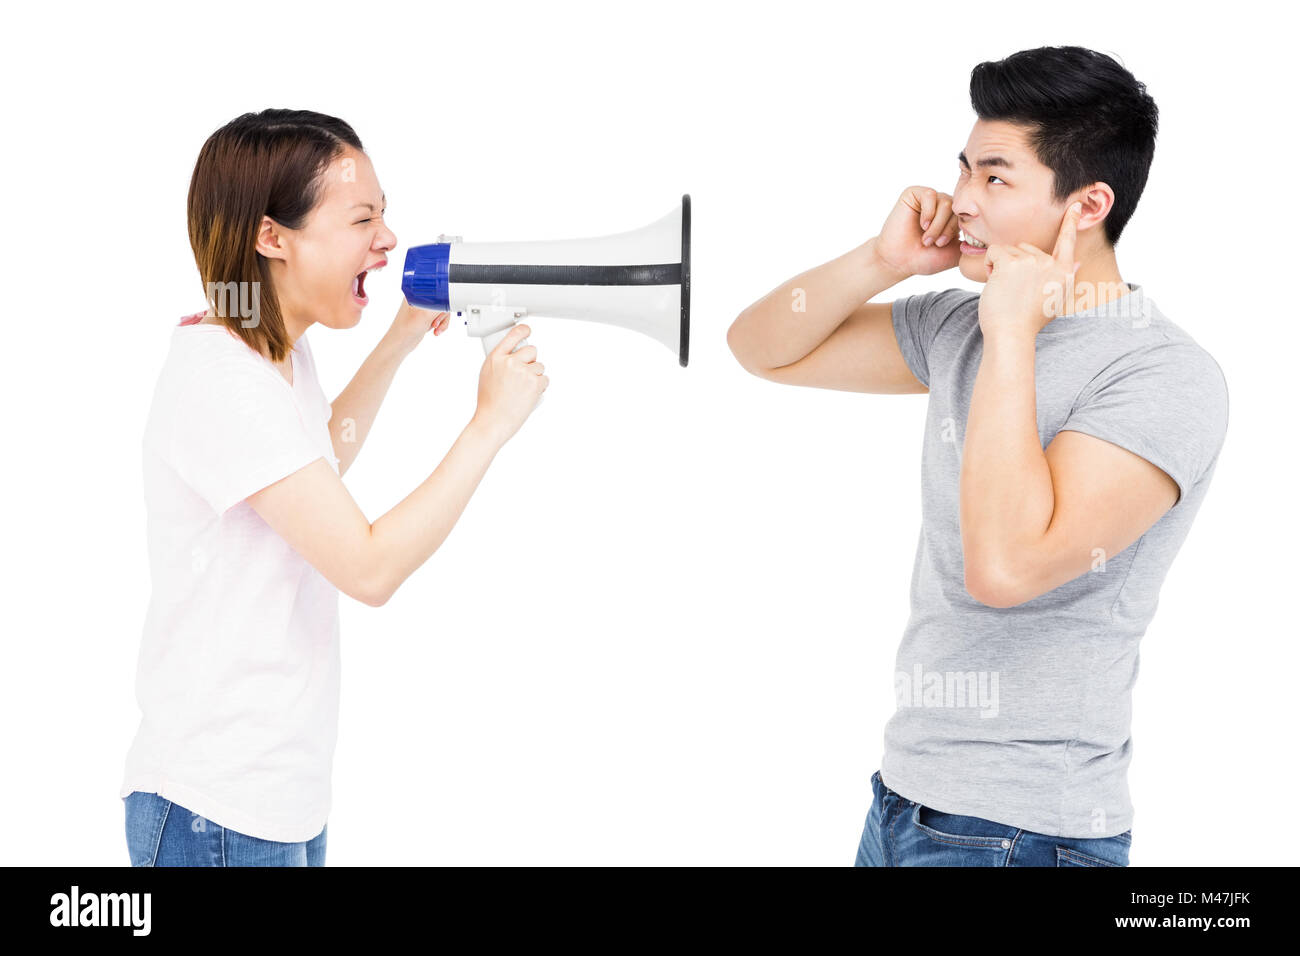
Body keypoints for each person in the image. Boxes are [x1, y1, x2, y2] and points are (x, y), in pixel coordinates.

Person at [726, 47, 1228, 866]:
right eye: (963, 169)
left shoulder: (1163, 374)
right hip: (904, 805)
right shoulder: (963, 327)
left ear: (1088, 204)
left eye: (995, 178)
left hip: (1027, 833)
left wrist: (1012, 333)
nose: (960, 200)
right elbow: (760, 349)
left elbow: (1004, 570)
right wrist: (883, 262)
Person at [121, 109, 547, 866]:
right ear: (272, 238)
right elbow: (368, 567)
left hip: (275, 801)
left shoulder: (270, 348)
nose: (388, 240)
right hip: (216, 810)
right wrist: (489, 425)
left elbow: (315, 466)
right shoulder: (222, 379)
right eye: (362, 218)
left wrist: (401, 338)